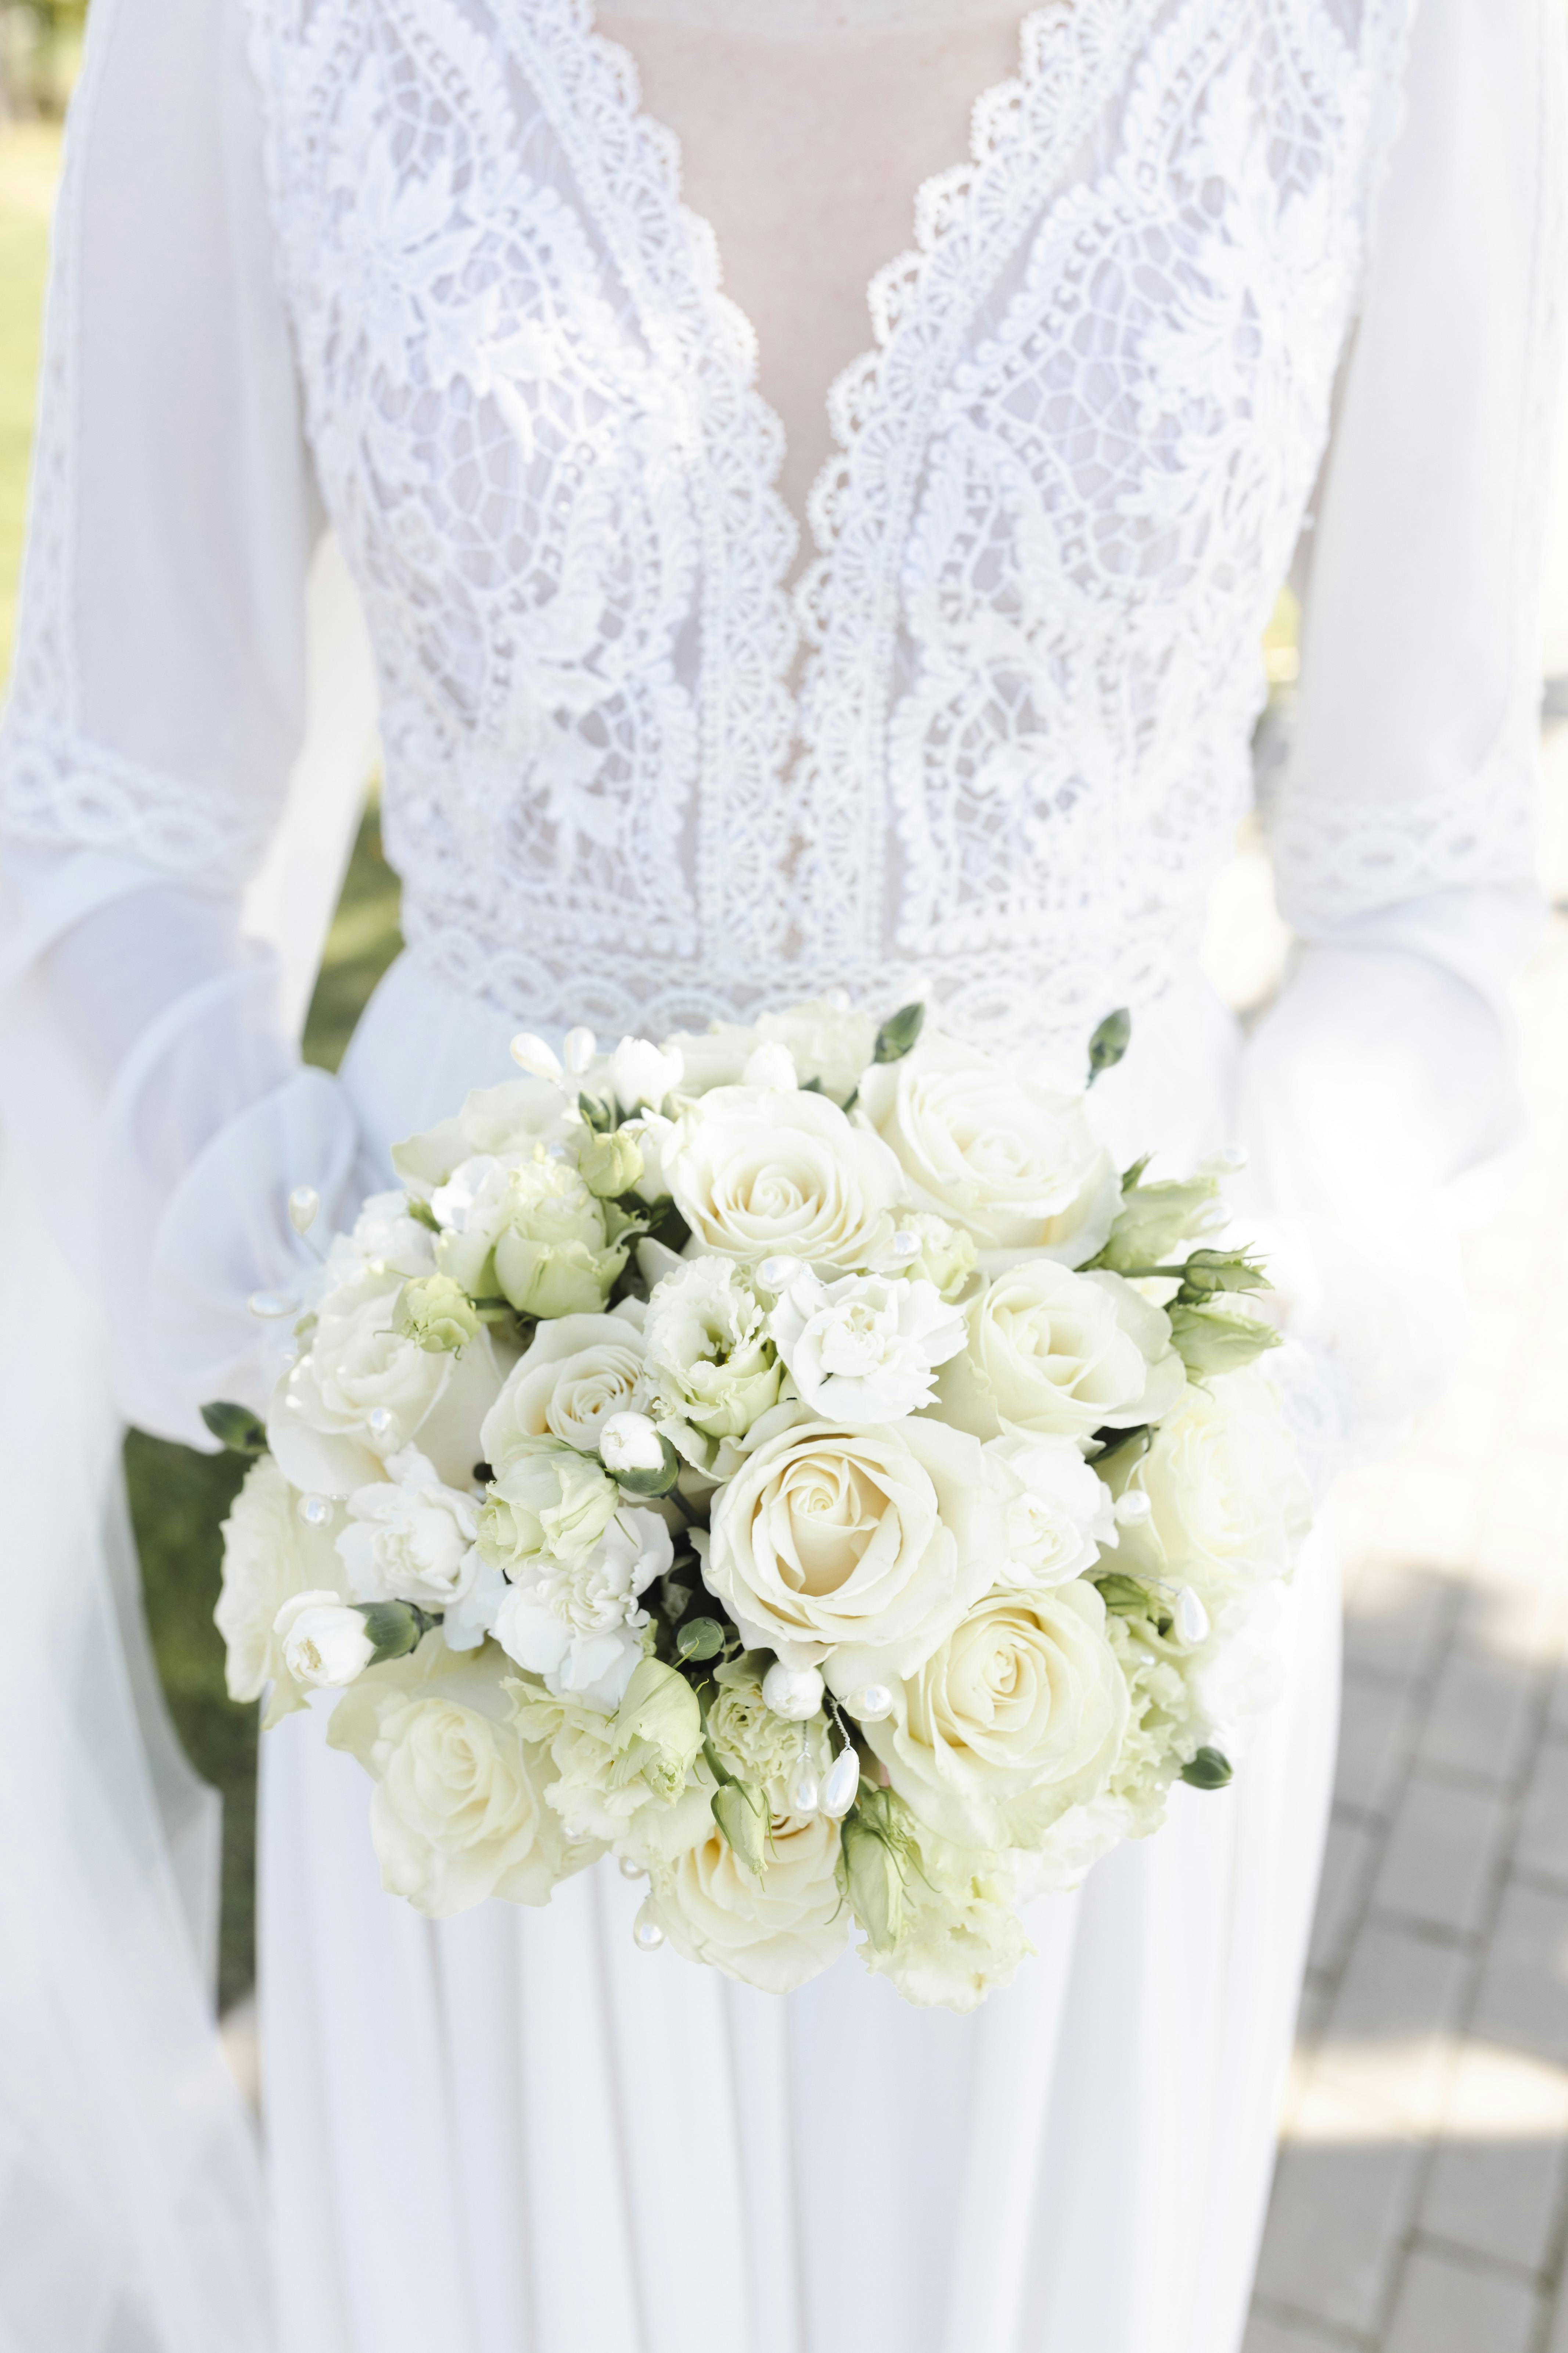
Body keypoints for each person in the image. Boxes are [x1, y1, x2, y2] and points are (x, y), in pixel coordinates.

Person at [0, 0, 1561, 2347]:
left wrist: (1227, 1369)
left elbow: (1427, 885)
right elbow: (109, 820)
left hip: (1096, 1565)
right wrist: (340, 1307)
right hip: (474, 1545)